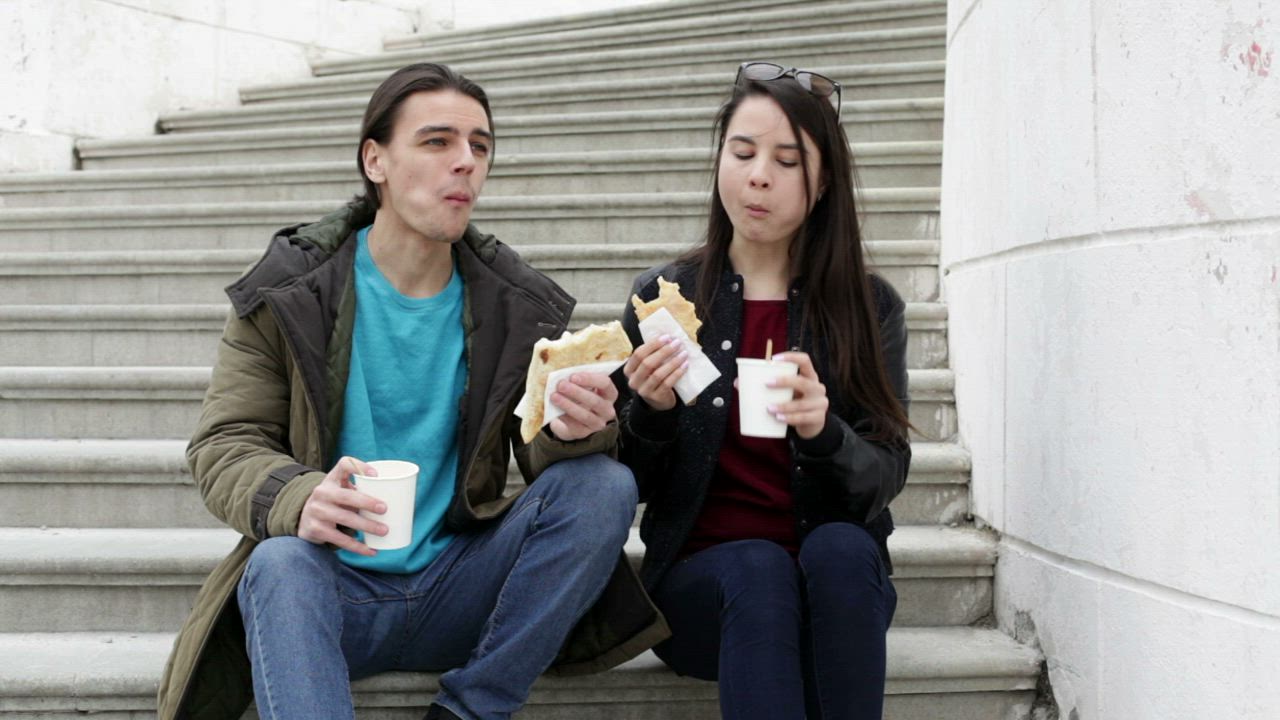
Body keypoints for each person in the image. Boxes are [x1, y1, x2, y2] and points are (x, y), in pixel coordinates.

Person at [156, 63, 668, 720]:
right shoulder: (288, 293)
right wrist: (298, 496)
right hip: (331, 592)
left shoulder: (512, 304)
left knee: (602, 485)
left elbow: (539, 451)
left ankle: (471, 709)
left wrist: (569, 431)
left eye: (479, 146)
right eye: (437, 141)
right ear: (375, 160)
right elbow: (224, 443)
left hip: (464, 587)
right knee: (280, 563)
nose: (465, 162)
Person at [617, 62, 912, 720]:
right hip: (705, 591)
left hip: (835, 594)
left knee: (842, 548)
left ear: (823, 182)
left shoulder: (869, 307)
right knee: (757, 568)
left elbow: (885, 475)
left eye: (787, 161)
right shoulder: (664, 299)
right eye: (742, 152)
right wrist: (653, 413)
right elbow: (625, 484)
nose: (758, 176)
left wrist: (824, 433)